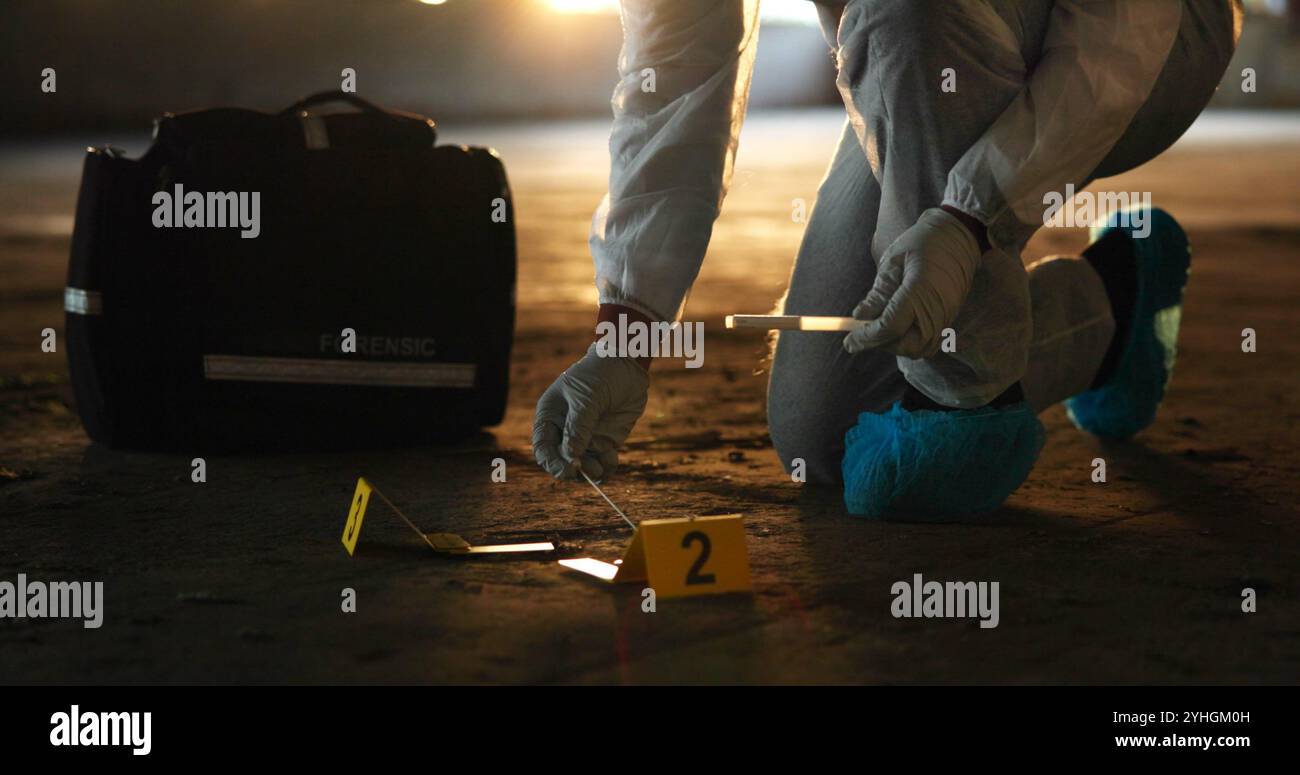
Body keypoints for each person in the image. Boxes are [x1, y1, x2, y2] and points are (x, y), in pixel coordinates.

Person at [533, 0, 1243, 518]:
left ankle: (969, 398)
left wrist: (970, 215)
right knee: (825, 434)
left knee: (904, 18)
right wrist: (629, 324)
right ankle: (1116, 301)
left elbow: (1122, 30)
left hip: (1143, 35)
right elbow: (678, 70)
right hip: (923, 50)